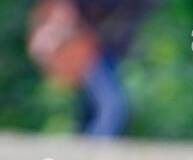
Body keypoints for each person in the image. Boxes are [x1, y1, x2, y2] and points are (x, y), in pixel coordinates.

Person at [27, 0, 157, 137]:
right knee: (112, 106)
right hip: (87, 51)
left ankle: (86, 145)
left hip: (102, 50)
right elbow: (60, 15)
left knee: (92, 108)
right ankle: (94, 146)